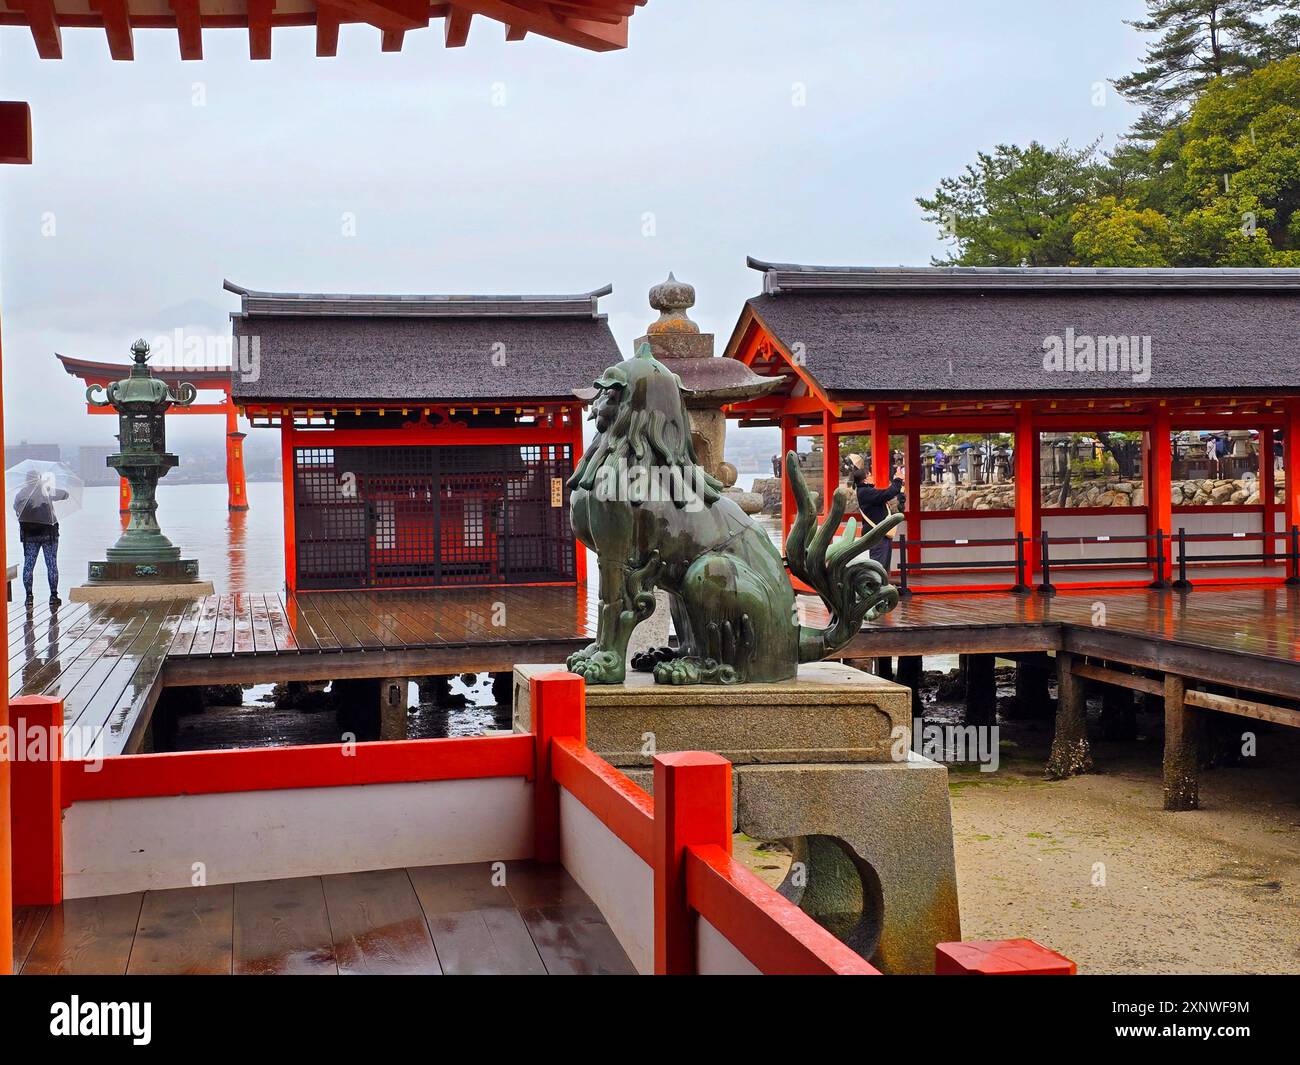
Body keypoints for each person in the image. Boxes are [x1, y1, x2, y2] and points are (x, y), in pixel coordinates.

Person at [13, 470, 68, 607]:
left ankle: (29, 597)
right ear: (38, 479)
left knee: (28, 566)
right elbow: (65, 494)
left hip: (30, 535)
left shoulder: (21, 494)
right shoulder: (46, 490)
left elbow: (16, 509)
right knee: (51, 564)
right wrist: (46, 485)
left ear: (26, 480)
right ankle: (53, 596)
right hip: (49, 534)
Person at [852, 464, 905, 574]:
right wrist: (898, 480)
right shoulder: (865, 492)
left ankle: (883, 585)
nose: (872, 477)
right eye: (870, 475)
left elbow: (885, 495)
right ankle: (877, 587)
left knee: (884, 565)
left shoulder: (867, 491)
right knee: (878, 565)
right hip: (877, 534)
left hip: (881, 533)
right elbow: (887, 493)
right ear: (865, 479)